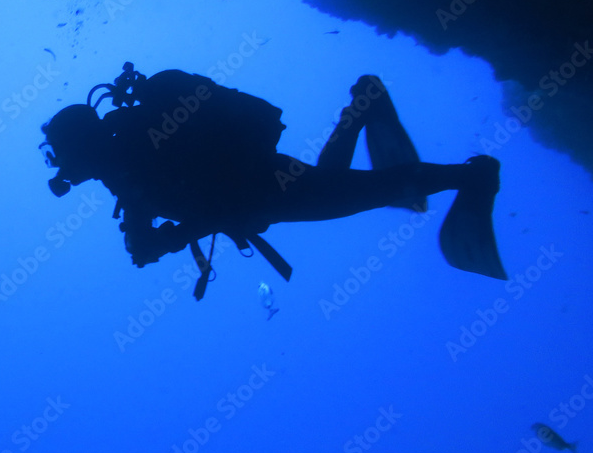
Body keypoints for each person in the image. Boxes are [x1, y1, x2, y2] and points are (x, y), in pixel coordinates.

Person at [40, 63, 506, 299]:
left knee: (361, 193)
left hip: (262, 188)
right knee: (337, 189)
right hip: (261, 193)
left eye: (59, 154)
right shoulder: (122, 166)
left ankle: (474, 175)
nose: (58, 166)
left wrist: (167, 239)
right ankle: (363, 106)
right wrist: (148, 242)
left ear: (82, 144)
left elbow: (205, 207)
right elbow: (150, 220)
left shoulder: (131, 153)